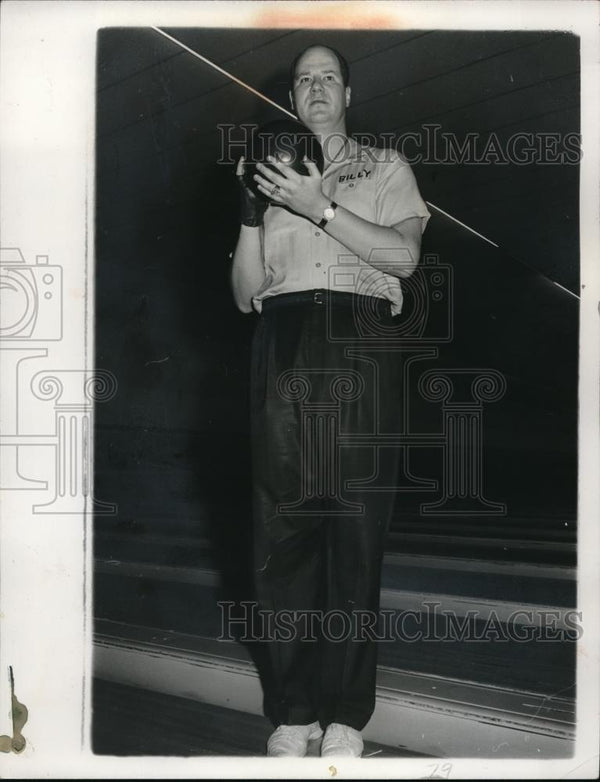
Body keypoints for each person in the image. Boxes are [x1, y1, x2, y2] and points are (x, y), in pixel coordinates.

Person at [231, 44, 430, 758]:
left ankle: (346, 714)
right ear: (292, 97)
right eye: (303, 79)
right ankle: (293, 712)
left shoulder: (386, 167)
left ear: (349, 93)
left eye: (329, 77)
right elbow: (244, 295)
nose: (316, 87)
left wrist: (317, 206)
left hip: (359, 338)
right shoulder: (270, 173)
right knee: (280, 533)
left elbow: (405, 257)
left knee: (355, 533)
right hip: (284, 338)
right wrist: (252, 212)